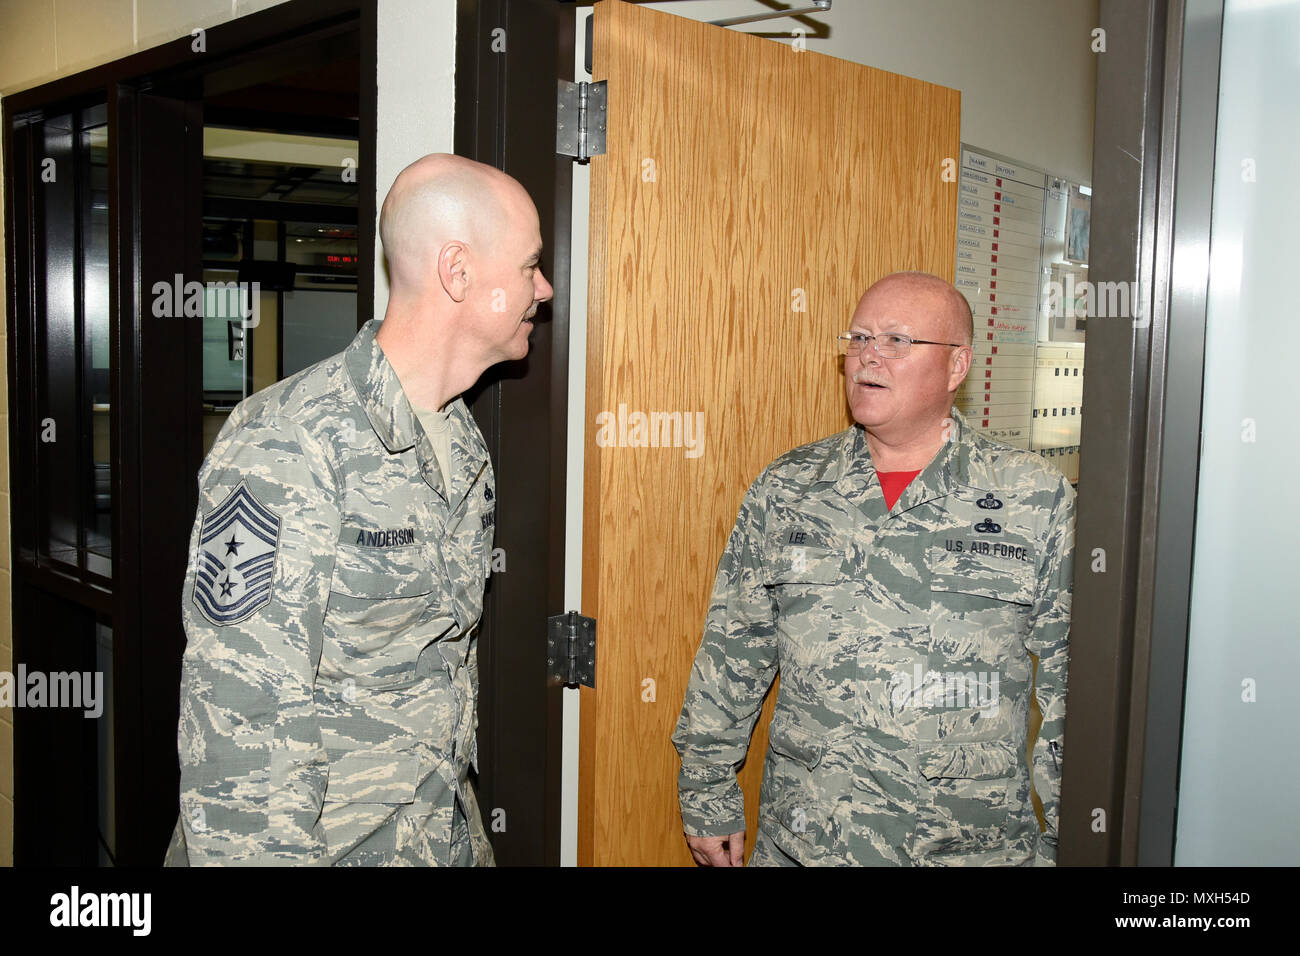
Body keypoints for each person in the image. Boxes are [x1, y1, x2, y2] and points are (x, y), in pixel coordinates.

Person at [164, 153, 553, 865]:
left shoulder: (459, 442)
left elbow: (433, 680)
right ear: (457, 271)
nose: (545, 288)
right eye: (530, 266)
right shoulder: (288, 442)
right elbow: (241, 731)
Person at [672, 271, 1074, 866]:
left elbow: (1074, 686)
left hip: (967, 849)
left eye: (896, 341)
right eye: (858, 338)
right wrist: (706, 791)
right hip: (808, 843)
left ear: (956, 366)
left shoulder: (1032, 497)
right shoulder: (789, 488)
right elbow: (735, 645)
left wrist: (1070, 839)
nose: (868, 356)